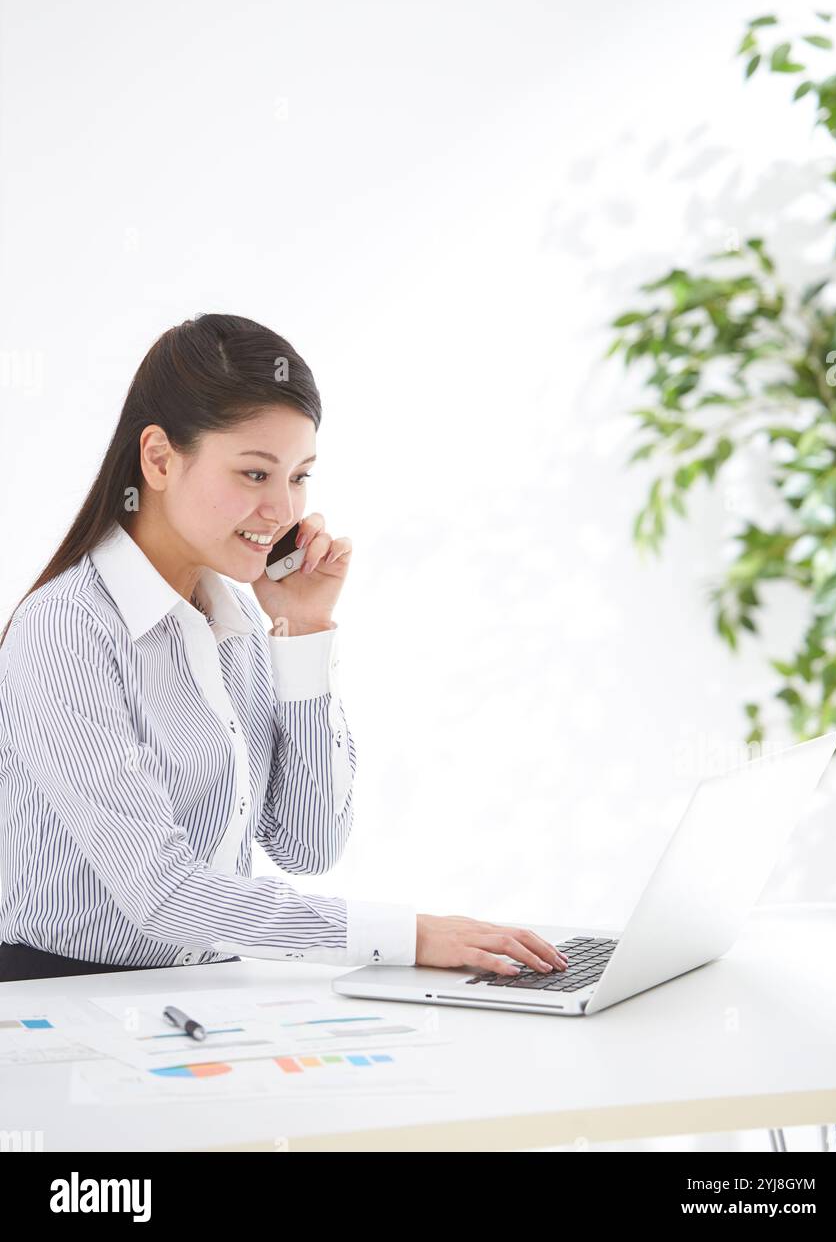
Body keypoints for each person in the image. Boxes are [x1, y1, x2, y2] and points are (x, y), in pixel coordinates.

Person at [0, 311, 567, 984]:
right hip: (58, 1005)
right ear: (157, 459)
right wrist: (406, 936)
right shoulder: (67, 630)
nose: (284, 513)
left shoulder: (234, 615)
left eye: (300, 477)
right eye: (254, 474)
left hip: (206, 991)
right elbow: (163, 894)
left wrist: (301, 632)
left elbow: (308, 844)